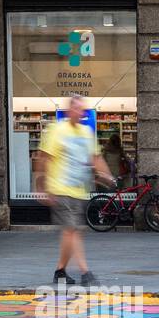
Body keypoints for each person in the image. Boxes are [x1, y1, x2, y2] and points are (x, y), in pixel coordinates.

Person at [35, 95, 114, 287]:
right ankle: (85, 272)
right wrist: (41, 186)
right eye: (77, 109)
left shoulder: (86, 133)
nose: (80, 112)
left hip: (79, 191)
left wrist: (107, 175)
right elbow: (43, 157)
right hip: (59, 188)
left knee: (70, 232)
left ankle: (60, 270)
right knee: (74, 230)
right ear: (70, 110)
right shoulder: (57, 130)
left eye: (83, 110)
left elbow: (95, 157)